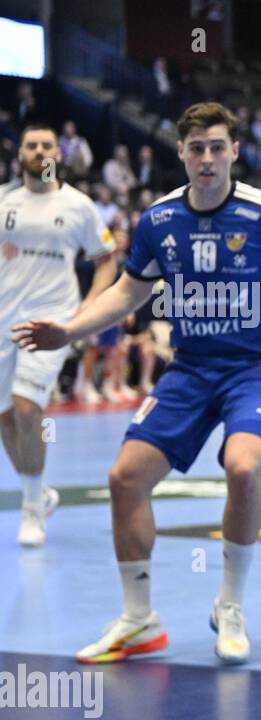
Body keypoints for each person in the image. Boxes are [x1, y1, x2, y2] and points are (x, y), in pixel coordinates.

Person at [13, 101, 261, 664]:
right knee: (125, 477)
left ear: (234, 151)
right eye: (196, 149)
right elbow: (126, 292)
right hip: (188, 371)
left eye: (218, 147)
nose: (207, 158)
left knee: (245, 468)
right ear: (183, 155)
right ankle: (139, 619)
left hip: (255, 370)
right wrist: (68, 330)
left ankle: (230, 605)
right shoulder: (160, 221)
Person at [0, 124, 118, 546]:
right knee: (7, 417)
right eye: (31, 145)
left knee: (28, 406)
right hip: (3, 320)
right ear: (22, 154)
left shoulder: (79, 206)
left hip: (50, 321)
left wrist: (89, 305)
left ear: (58, 154)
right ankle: (40, 493)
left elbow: (107, 257)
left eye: (46, 145)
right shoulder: (5, 201)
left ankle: (32, 508)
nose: (38, 151)